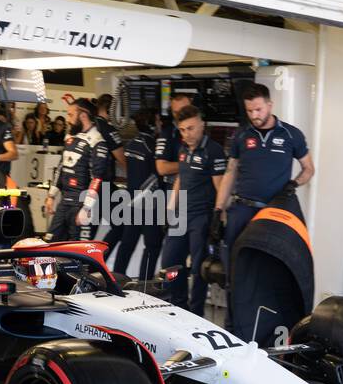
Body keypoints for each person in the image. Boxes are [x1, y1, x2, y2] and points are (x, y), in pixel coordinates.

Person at [214, 83, 314, 268]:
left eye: (258, 109)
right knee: (234, 265)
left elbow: (309, 169)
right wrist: (218, 209)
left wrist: (294, 183)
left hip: (272, 211)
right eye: (249, 111)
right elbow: (230, 173)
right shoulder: (242, 134)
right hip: (242, 209)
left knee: (268, 266)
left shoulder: (291, 134)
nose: (254, 116)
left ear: (270, 104)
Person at [161, 106, 226, 315]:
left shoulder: (213, 150)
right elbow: (180, 177)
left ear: (201, 125)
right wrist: (170, 208)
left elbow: (221, 187)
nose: (186, 134)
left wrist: (219, 218)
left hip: (201, 217)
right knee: (170, 263)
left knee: (199, 269)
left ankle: (195, 313)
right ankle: (177, 307)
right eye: (182, 130)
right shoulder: (183, 149)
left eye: (190, 128)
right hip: (181, 214)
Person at [106, 110, 163, 279]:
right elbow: (156, 177)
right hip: (149, 204)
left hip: (130, 201)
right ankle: (144, 284)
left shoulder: (130, 144)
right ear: (153, 124)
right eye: (158, 120)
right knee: (152, 246)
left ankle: (117, 279)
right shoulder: (152, 145)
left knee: (127, 244)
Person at [45, 98, 110, 242]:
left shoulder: (97, 142)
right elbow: (61, 167)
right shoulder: (70, 137)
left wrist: (87, 208)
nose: (68, 119)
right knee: (49, 243)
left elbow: (97, 178)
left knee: (79, 252)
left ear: (83, 115)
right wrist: (51, 195)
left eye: (70, 115)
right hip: (64, 202)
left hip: (81, 204)